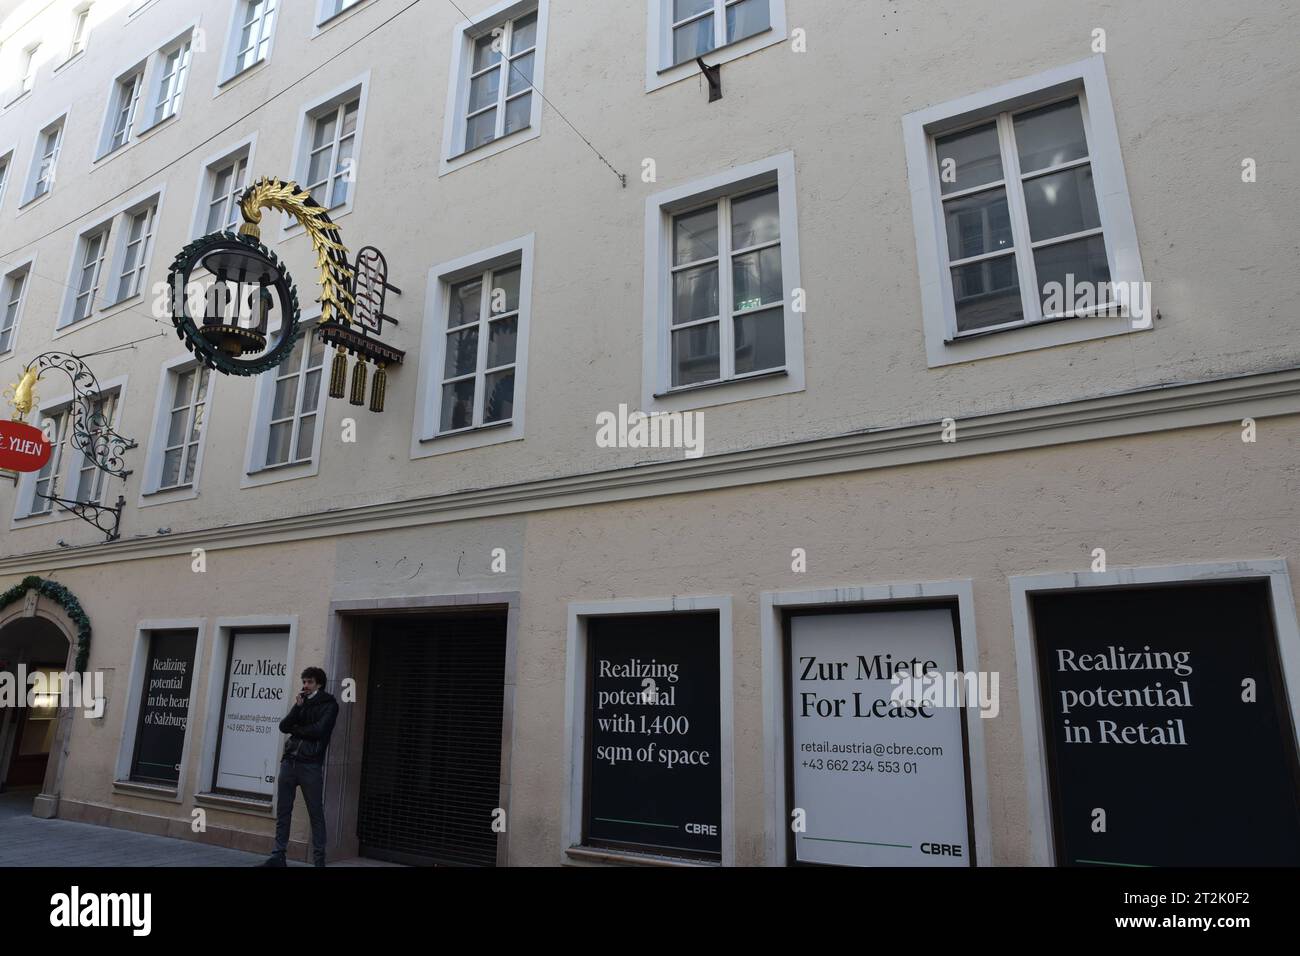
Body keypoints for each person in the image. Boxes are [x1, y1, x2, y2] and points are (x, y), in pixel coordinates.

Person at [258, 666, 339, 867]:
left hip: (310, 765)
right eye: (304, 682)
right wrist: (297, 707)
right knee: (283, 810)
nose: (305, 685)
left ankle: (319, 860)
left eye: (309, 682)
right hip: (289, 763)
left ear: (318, 683)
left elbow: (319, 731)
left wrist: (297, 729)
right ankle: (278, 856)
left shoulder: (329, 704)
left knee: (315, 812)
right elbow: (284, 726)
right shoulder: (302, 703)